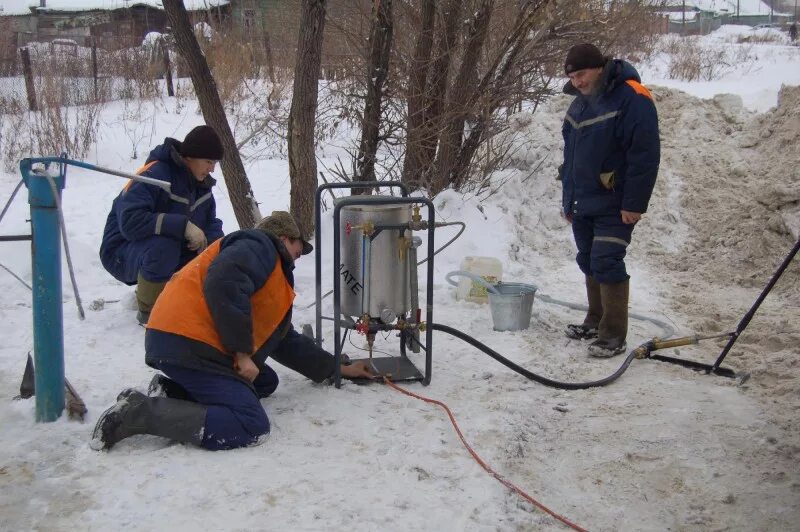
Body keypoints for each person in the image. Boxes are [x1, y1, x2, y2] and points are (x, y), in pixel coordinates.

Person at [91, 211, 376, 452]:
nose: (300, 255)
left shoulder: (268, 269)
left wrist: (337, 368)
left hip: (181, 338)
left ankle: (172, 393)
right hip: (187, 339)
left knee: (264, 381)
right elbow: (223, 282)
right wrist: (241, 353)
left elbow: (284, 340)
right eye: (299, 246)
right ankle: (137, 414)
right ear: (284, 238)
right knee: (250, 425)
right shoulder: (259, 245)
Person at [558, 43, 660, 357]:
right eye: (572, 77)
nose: (577, 82)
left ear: (600, 67)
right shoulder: (579, 105)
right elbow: (571, 159)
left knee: (607, 260)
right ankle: (595, 320)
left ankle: (614, 335)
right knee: (589, 259)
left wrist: (634, 203)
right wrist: (569, 201)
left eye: (582, 74)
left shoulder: (633, 97)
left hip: (615, 200)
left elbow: (645, 154)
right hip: (584, 201)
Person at [99, 125, 226, 325]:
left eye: (215, 163)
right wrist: (183, 226)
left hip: (163, 251)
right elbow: (130, 221)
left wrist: (216, 244)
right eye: (208, 162)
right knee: (164, 246)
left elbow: (210, 222)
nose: (212, 169)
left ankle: (189, 303)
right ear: (189, 157)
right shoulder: (154, 174)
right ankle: (151, 312)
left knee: (213, 249)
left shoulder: (202, 186)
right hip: (121, 251)